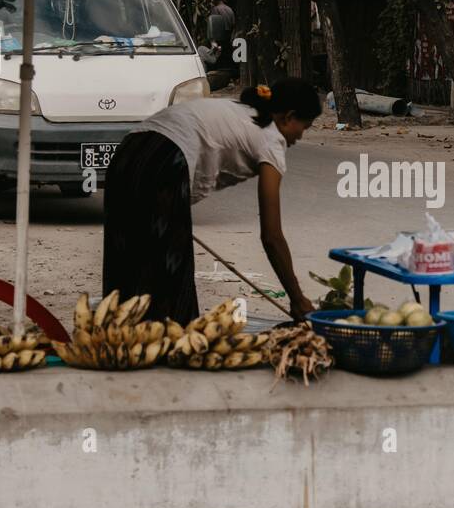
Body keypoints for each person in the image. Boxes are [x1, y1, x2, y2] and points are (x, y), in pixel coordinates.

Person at [102, 78, 320, 324]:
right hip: (165, 159)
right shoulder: (272, 141)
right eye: (305, 126)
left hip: (128, 152)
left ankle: (118, 333)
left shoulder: (240, 110)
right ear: (288, 117)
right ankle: (170, 341)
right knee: (170, 272)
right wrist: (297, 298)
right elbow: (271, 235)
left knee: (127, 253)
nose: (301, 136)